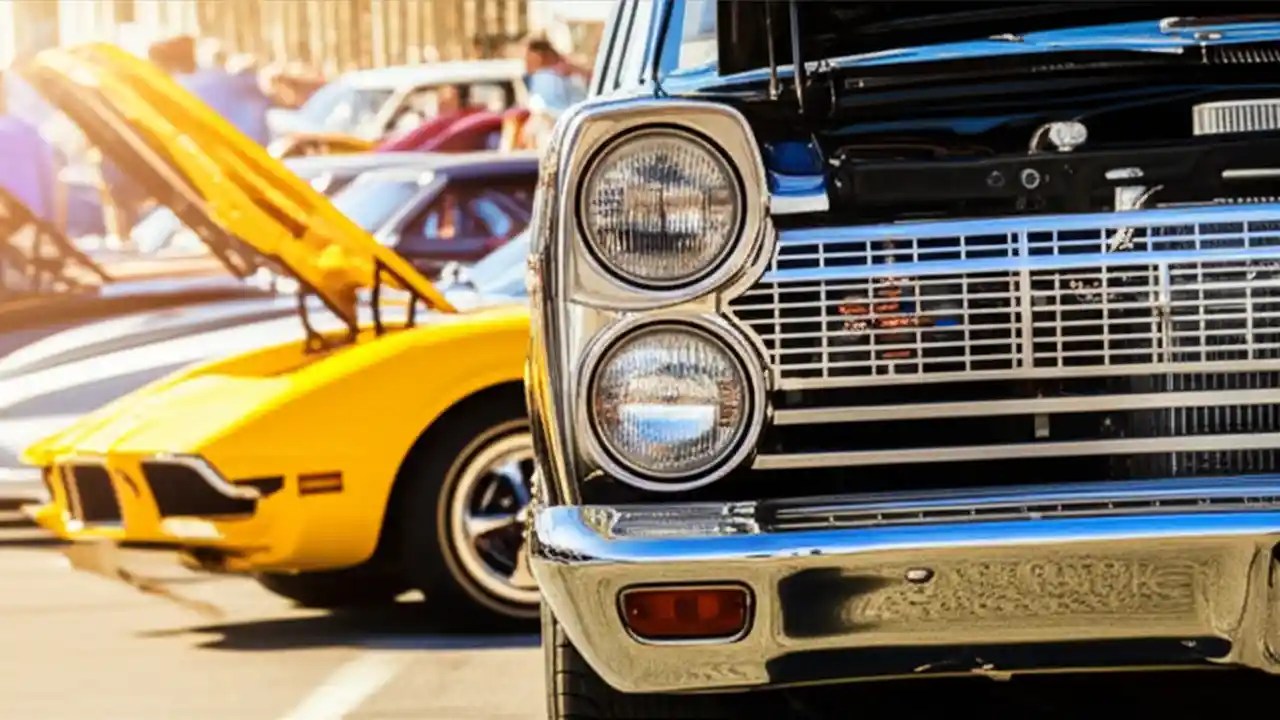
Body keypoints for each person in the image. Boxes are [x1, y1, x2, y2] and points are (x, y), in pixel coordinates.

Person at [0, 69, 66, 234]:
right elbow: (52, 185)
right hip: (30, 229)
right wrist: (54, 231)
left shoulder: (27, 133)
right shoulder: (28, 132)